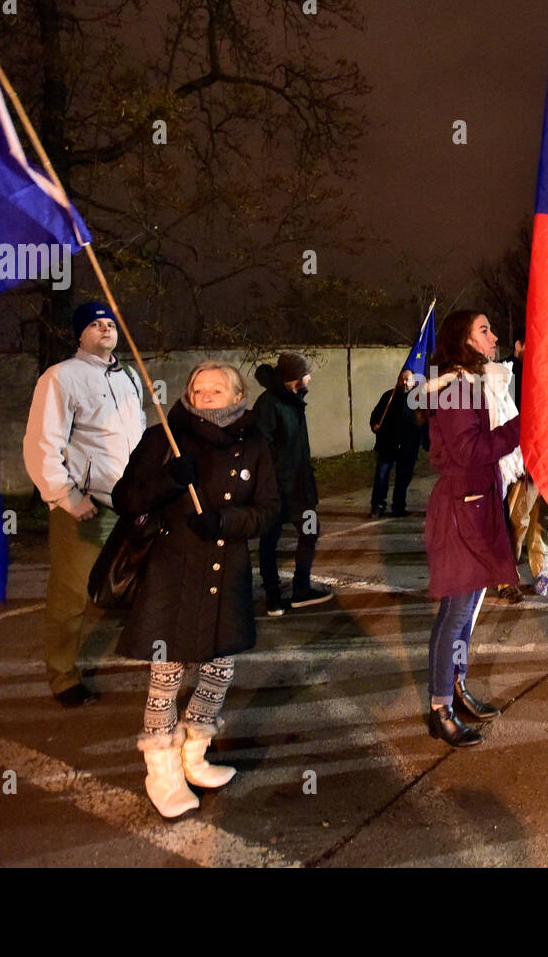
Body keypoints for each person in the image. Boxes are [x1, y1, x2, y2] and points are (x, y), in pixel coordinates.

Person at [112, 362, 279, 818]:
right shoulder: (163, 437)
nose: (206, 395)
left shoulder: (256, 443)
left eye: (216, 389)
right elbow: (124, 499)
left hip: (226, 572)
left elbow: (269, 512)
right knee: (167, 676)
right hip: (173, 572)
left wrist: (224, 522)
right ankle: (160, 768)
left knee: (219, 669)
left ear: (237, 394)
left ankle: (194, 754)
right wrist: (168, 479)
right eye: (198, 389)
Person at [23, 302, 145, 707]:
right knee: (71, 596)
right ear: (80, 334)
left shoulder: (128, 375)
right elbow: (42, 444)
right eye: (95, 324)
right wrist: (66, 496)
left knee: (131, 582)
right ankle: (62, 676)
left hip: (131, 502)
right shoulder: (61, 377)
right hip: (87, 506)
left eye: (110, 324)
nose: (105, 330)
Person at [420, 310, 521, 748]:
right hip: (462, 511)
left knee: (466, 612)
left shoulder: (463, 383)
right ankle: (440, 706)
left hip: (476, 505)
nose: (493, 336)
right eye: (484, 330)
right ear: (464, 339)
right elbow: (469, 450)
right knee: (455, 614)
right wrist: (523, 427)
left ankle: (456, 689)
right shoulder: (456, 388)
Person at [253, 352, 331, 613]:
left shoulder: (294, 400)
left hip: (300, 486)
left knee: (310, 531)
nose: (310, 377)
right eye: (307, 373)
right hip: (275, 488)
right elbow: (260, 449)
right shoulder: (268, 404)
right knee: (269, 538)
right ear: (295, 377)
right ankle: (273, 596)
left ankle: (300, 589)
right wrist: (267, 486)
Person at [502, 333, 548, 597]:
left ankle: (543, 572)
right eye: (530, 343)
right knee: (516, 521)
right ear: (518, 345)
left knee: (545, 519)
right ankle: (505, 577)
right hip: (521, 461)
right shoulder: (507, 374)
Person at [368, 369, 429, 517]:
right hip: (388, 443)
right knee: (382, 475)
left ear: (414, 381)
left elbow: (424, 423)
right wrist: (375, 425)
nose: (404, 382)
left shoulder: (418, 400)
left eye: (407, 379)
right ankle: (378, 505)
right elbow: (376, 414)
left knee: (403, 477)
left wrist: (426, 442)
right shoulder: (389, 396)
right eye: (402, 379)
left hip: (408, 445)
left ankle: (399, 506)